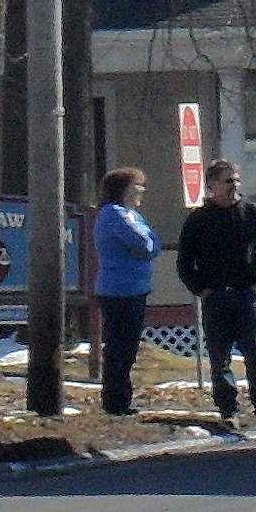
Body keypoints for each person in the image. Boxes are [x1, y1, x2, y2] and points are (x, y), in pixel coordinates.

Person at [176, 160, 256, 431]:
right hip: (216, 298)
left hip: (246, 297)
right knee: (219, 358)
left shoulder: (253, 214)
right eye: (228, 180)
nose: (235, 185)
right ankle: (229, 411)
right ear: (212, 186)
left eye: (236, 180)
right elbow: (185, 262)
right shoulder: (199, 220)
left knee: (254, 356)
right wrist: (202, 290)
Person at [93, 168, 160, 416]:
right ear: (123, 189)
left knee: (128, 347)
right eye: (137, 186)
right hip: (119, 291)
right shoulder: (114, 214)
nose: (141, 191)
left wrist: (146, 246)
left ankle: (121, 397)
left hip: (134, 289)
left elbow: (154, 244)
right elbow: (143, 243)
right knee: (120, 347)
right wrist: (144, 247)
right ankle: (115, 401)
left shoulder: (132, 215)